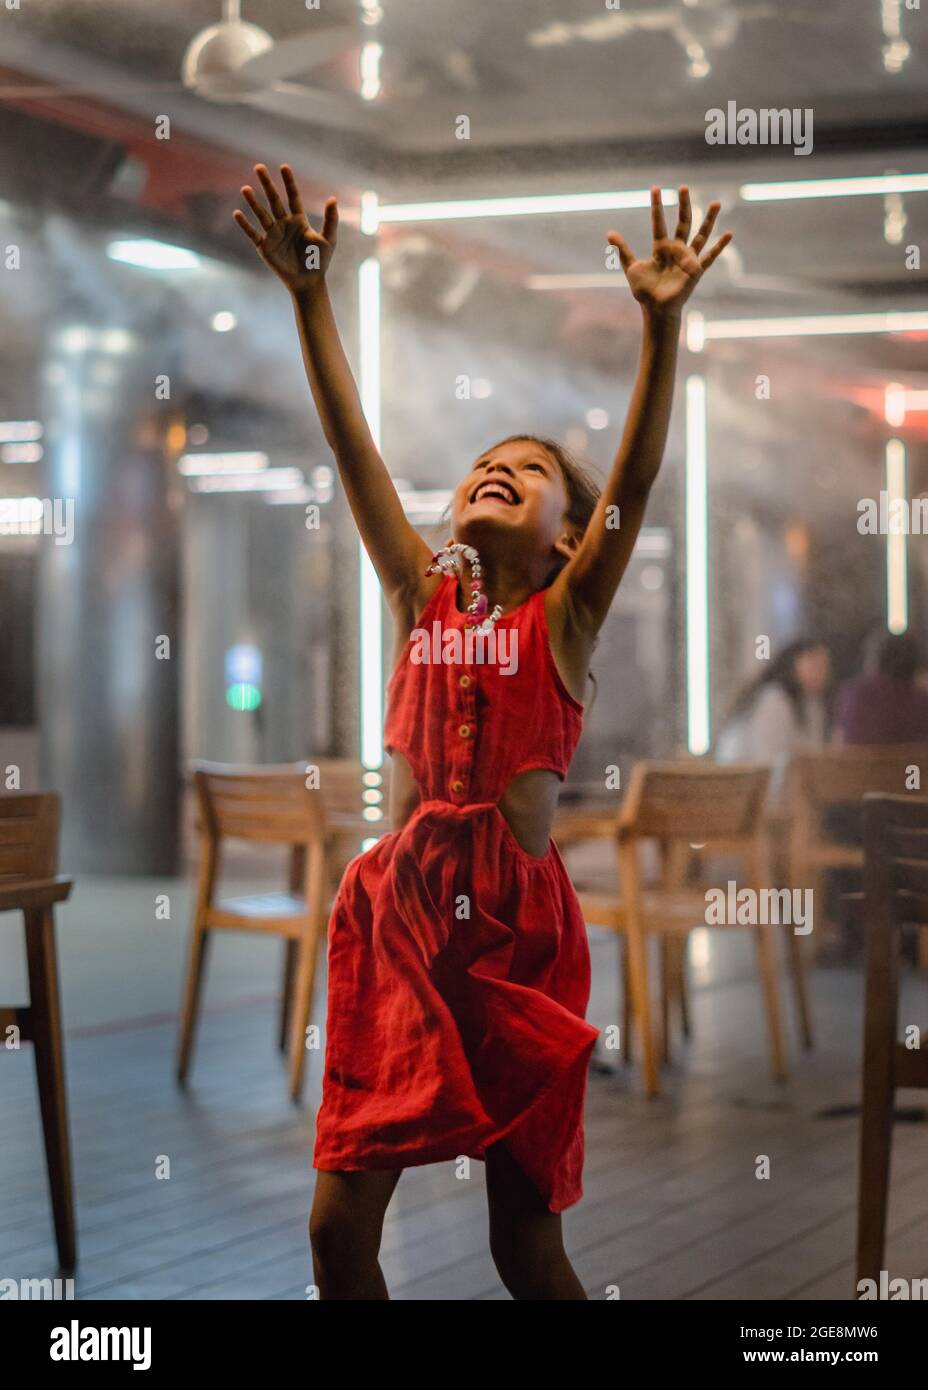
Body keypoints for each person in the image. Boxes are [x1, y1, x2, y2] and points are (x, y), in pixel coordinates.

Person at [234, 166, 732, 1300]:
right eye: (483, 464)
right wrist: (313, 302)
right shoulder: (420, 597)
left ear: (565, 539)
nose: (497, 469)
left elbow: (639, 482)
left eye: (531, 470)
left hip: (517, 935)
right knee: (334, 1233)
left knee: (523, 1243)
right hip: (399, 924)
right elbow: (354, 452)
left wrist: (660, 329)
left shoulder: (562, 616)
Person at [715, 640, 831, 807]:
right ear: (793, 663)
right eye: (813, 662)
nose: (821, 671)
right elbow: (770, 761)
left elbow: (814, 758)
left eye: (824, 665)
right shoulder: (774, 699)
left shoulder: (812, 704)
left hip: (779, 793)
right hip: (745, 791)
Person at [834, 629, 928, 745]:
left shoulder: (855, 694)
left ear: (874, 660)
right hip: (913, 764)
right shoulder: (922, 701)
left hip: (862, 763)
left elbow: (840, 741)